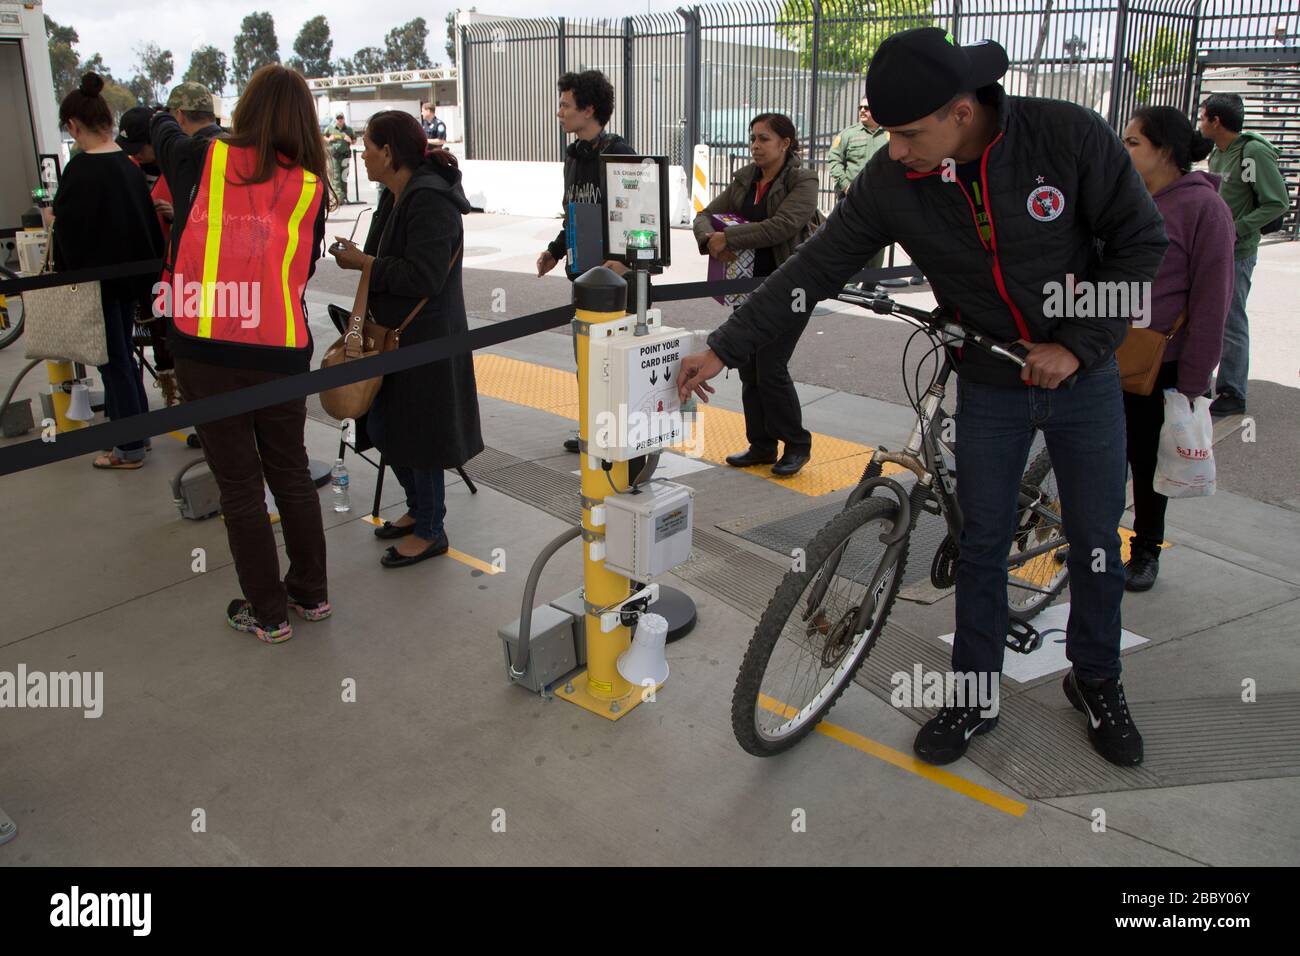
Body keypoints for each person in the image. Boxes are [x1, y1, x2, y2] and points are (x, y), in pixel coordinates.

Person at [677, 28, 1169, 768]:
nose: (896, 150)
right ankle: (973, 695)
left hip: (1084, 381)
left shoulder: (1066, 138)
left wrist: (1077, 344)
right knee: (979, 544)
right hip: (990, 381)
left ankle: (1097, 678)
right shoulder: (893, 180)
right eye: (889, 133)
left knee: (1096, 540)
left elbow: (1141, 247)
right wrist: (726, 344)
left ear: (962, 111)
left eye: (909, 134)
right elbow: (815, 266)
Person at [151, 64, 331, 643]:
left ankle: (269, 614)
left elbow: (157, 128)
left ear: (245, 112)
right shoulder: (311, 185)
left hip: (208, 346)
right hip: (279, 349)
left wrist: (181, 117)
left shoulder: (203, 160)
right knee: (292, 472)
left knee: (239, 486)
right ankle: (311, 593)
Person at [330, 110, 484, 568]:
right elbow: (382, 255)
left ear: (389, 152)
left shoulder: (430, 201)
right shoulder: (393, 196)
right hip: (394, 337)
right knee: (381, 425)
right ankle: (418, 510)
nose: (362, 157)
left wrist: (364, 264)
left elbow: (426, 275)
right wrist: (363, 258)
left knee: (422, 435)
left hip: (427, 338)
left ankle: (431, 528)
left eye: (367, 149)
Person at [1120, 107, 1235, 592]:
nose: (1123, 150)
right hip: (1104, 350)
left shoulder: (1203, 209)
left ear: (1164, 150)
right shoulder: (1122, 199)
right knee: (1100, 458)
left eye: (1133, 143)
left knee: (1148, 462)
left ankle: (1146, 548)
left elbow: (1212, 301)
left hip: (1159, 363)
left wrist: (1191, 384)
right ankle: (1092, 539)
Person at [693, 112, 820, 478]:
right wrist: (709, 240)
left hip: (790, 285)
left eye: (764, 139)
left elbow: (784, 226)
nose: (755, 146)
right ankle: (762, 445)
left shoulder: (803, 179)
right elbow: (705, 214)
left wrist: (728, 237)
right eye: (753, 138)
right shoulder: (746, 179)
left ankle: (797, 444)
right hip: (746, 286)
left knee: (771, 368)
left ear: (785, 143)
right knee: (748, 366)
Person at [51, 73, 164, 470]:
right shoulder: (128, 166)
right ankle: (136, 433)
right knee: (124, 358)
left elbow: (68, 235)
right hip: (131, 281)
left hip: (95, 285)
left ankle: (129, 445)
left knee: (113, 361)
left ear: (73, 126)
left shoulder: (80, 172)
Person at [535, 70, 637, 454]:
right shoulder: (574, 155)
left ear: (588, 109)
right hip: (585, 277)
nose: (559, 112)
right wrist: (555, 251)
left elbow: (638, 214)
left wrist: (624, 258)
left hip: (618, 282)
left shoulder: (620, 155)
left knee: (617, 363)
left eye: (566, 105)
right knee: (589, 361)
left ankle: (622, 437)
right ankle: (595, 432)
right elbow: (576, 212)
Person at [1197, 93, 1289, 418]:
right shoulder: (1219, 155)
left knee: (1231, 320)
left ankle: (1233, 392)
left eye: (1203, 115)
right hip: (1215, 249)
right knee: (1211, 318)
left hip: (1237, 251)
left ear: (1216, 121)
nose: (1200, 122)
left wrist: (1236, 228)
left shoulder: (1252, 153)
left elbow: (1277, 202)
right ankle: (1206, 385)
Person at [828, 96, 890, 290]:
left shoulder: (890, 135)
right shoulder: (848, 134)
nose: (863, 111)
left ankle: (871, 282)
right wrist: (845, 184)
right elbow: (834, 160)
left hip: (879, 199)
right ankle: (849, 279)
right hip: (851, 197)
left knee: (878, 241)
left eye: (868, 108)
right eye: (860, 107)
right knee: (848, 239)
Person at [325, 112, 357, 204]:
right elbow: (323, 137)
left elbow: (354, 140)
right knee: (336, 177)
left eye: (341, 118)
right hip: (334, 157)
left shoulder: (349, 129)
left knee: (344, 177)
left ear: (344, 119)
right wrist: (329, 139)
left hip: (345, 156)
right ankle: (338, 199)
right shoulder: (330, 128)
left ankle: (344, 196)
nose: (340, 120)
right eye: (338, 118)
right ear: (335, 119)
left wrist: (350, 140)